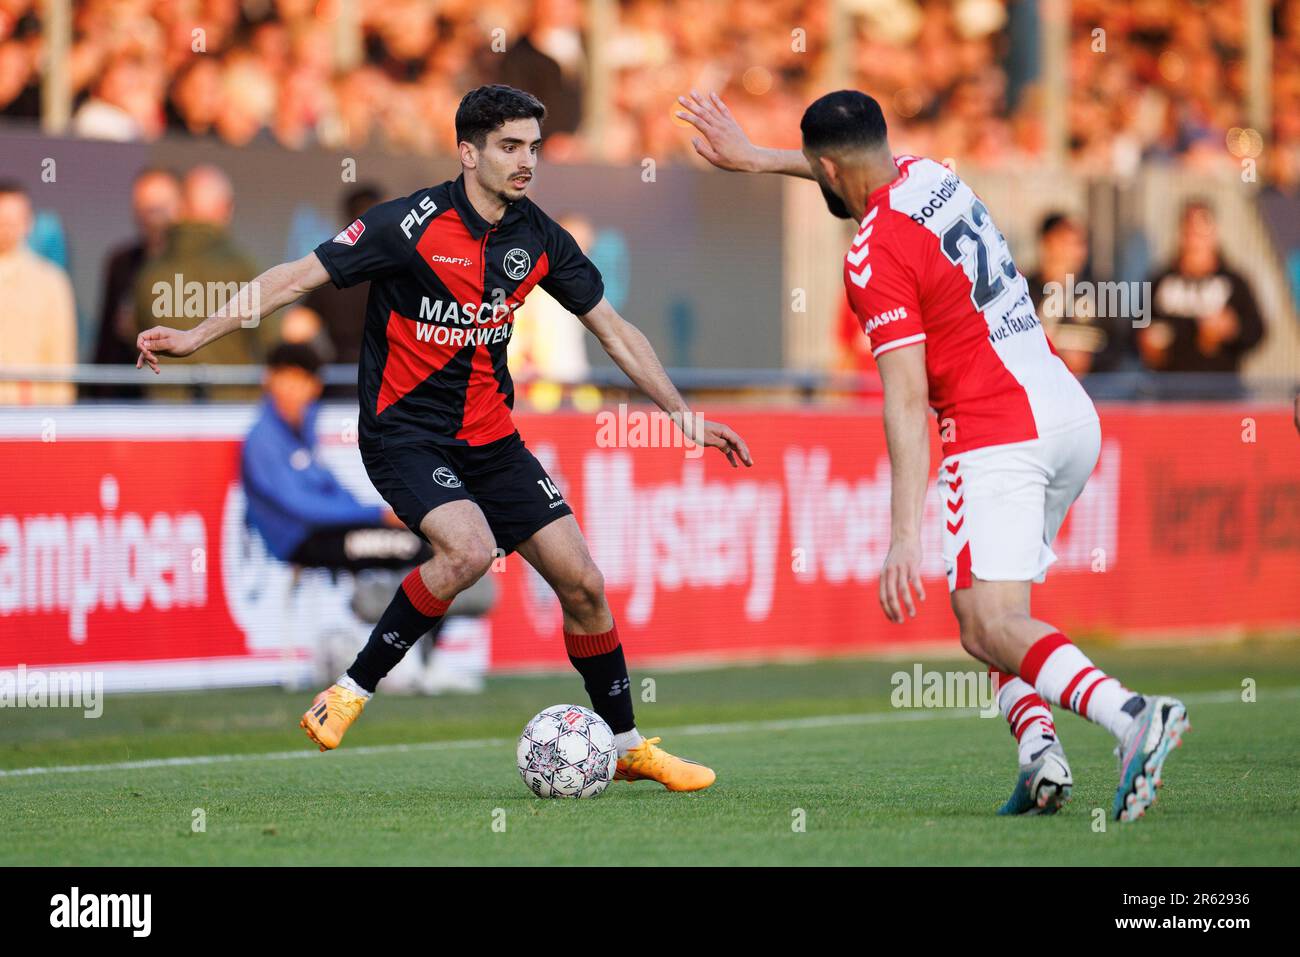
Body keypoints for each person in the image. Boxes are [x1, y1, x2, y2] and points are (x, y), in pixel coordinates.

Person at [137, 84, 751, 792]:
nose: (527, 162)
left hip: (492, 438)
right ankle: (349, 692)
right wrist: (196, 334)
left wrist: (681, 414)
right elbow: (293, 279)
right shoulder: (408, 225)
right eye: (510, 147)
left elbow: (614, 329)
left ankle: (628, 744)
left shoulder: (539, 237)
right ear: (468, 152)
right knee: (466, 549)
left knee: (584, 583)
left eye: (534, 148)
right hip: (404, 436)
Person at [677, 89, 1189, 822]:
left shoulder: (870, 255)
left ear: (827, 167)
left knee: (983, 622)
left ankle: (1132, 715)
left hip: (998, 430)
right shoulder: (931, 175)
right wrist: (757, 158)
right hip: (1068, 412)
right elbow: (843, 166)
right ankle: (1040, 751)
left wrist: (904, 534)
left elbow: (905, 399)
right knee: (1002, 606)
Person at [242, 342, 429, 572]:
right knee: (411, 546)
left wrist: (374, 514)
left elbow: (328, 486)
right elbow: (301, 505)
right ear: (268, 379)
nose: (291, 389)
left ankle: (394, 602)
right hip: (300, 539)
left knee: (419, 540)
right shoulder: (263, 439)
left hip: (326, 531)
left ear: (315, 386)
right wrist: (375, 515)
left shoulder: (302, 428)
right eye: (285, 378)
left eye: (300, 380)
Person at [133, 165, 264, 399]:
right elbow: (270, 340)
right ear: (227, 208)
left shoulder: (151, 271)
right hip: (231, 410)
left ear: (183, 207)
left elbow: (135, 331)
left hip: (166, 409)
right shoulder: (243, 268)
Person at [1139, 200, 1265, 397]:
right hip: (1169, 394)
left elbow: (1257, 331)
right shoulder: (1160, 281)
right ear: (1181, 233)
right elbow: (1134, 332)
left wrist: (1232, 329)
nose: (1196, 239)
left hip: (1222, 394)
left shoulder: (1234, 282)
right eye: (1190, 231)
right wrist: (1147, 344)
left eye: (1202, 231)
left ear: (1214, 233)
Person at [92, 168, 182, 398]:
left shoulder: (196, 266)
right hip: (126, 392)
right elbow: (107, 339)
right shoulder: (122, 263)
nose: (150, 218)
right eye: (143, 209)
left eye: (159, 209)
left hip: (174, 394)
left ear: (181, 207)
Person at [0, 181, 77, 406]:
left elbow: (61, 362)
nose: (6, 228)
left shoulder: (50, 281)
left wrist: (56, 420)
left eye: (13, 221)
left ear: (28, 222)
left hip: (28, 416)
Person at [1024, 212, 1127, 378]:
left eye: (1080, 243)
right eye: (1066, 242)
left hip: (1092, 392)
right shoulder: (1023, 291)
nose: (1075, 251)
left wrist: (1090, 362)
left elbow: (1118, 348)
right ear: (1047, 242)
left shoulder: (1101, 293)